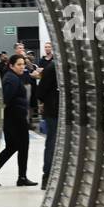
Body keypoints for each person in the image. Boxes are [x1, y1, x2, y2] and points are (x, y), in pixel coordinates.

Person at [0, 55, 36, 186]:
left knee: (12, 147)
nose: (22, 67)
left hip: (12, 119)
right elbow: (5, 99)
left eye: (23, 64)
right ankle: (22, 177)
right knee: (23, 147)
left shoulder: (12, 77)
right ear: (11, 65)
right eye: (19, 64)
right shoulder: (12, 79)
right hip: (16, 119)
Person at [36, 42, 58, 188]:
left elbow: (41, 91)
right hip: (61, 111)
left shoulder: (51, 68)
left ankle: (47, 177)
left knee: (51, 142)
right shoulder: (55, 67)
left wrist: (44, 102)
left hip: (52, 110)